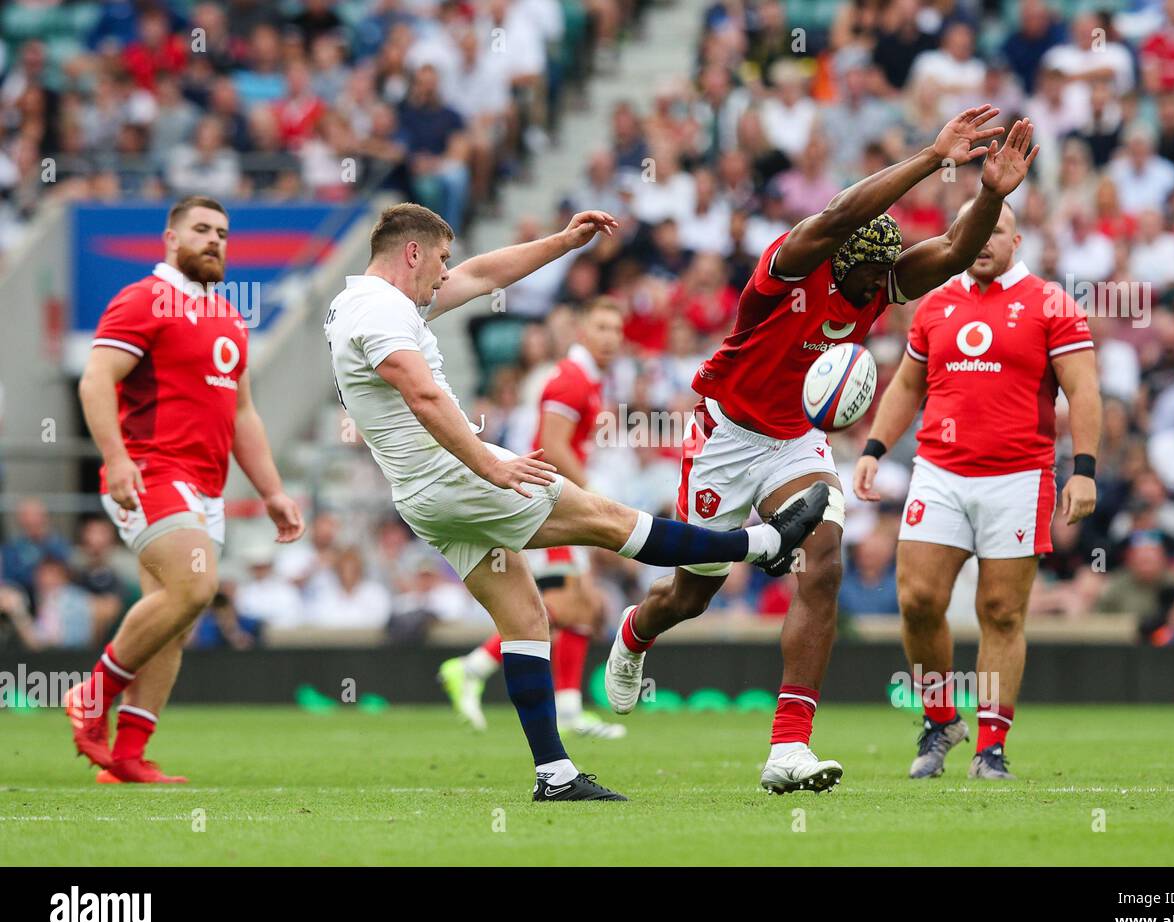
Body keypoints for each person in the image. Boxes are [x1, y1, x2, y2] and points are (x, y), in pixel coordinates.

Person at [324, 203, 826, 802]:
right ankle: (764, 543)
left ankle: (554, 776)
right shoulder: (380, 310)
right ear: (412, 252)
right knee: (608, 520)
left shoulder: (373, 301)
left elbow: (484, 276)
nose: (445, 271)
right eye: (439, 259)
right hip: (457, 475)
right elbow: (424, 394)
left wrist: (563, 242)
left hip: (422, 494)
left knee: (527, 620)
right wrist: (491, 462)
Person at [604, 107, 1041, 794]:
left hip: (794, 440)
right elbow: (837, 215)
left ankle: (788, 747)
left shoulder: (880, 278)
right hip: (727, 433)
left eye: (882, 277)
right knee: (691, 595)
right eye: (866, 276)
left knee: (823, 566)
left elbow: (955, 253)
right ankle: (636, 633)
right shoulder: (791, 264)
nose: (878, 288)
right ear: (841, 258)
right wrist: (932, 157)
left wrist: (990, 193)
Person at [854, 195, 1100, 780]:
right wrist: (873, 450)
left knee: (1001, 612)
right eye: (974, 229)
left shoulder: (1051, 304)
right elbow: (907, 386)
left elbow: (1084, 391)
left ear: (1017, 243)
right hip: (939, 471)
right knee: (917, 601)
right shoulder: (935, 304)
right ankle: (942, 721)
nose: (984, 239)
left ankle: (991, 746)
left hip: (1019, 474)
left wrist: (1085, 469)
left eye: (997, 230)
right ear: (958, 236)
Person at [67, 196, 305, 784]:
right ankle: (90, 697)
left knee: (175, 618)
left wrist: (271, 490)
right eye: (201, 230)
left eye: (222, 232)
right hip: (150, 472)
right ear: (170, 239)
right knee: (197, 585)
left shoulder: (227, 316)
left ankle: (127, 757)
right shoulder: (143, 299)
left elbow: (243, 414)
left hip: (206, 488)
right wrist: (116, 459)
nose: (215, 240)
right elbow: (96, 379)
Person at [439, 298, 629, 739]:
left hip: (555, 497)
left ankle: (567, 708)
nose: (610, 338)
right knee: (559, 606)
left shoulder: (586, 379)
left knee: (583, 608)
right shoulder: (572, 381)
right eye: (601, 327)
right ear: (582, 331)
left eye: (617, 330)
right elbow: (553, 446)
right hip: (545, 500)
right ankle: (473, 666)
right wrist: (594, 498)